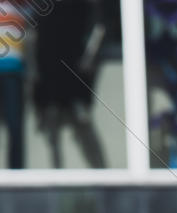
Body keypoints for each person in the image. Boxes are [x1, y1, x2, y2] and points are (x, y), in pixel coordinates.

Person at [33, 0, 106, 168]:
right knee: (51, 126)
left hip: (73, 69)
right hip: (49, 70)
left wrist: (89, 59)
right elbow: (35, 35)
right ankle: (55, 176)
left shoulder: (82, 6)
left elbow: (98, 28)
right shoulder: (44, 7)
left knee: (82, 122)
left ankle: (102, 174)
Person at [0, 0, 30, 169]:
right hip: (13, 73)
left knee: (15, 125)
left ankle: (17, 172)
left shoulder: (23, 7)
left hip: (13, 73)